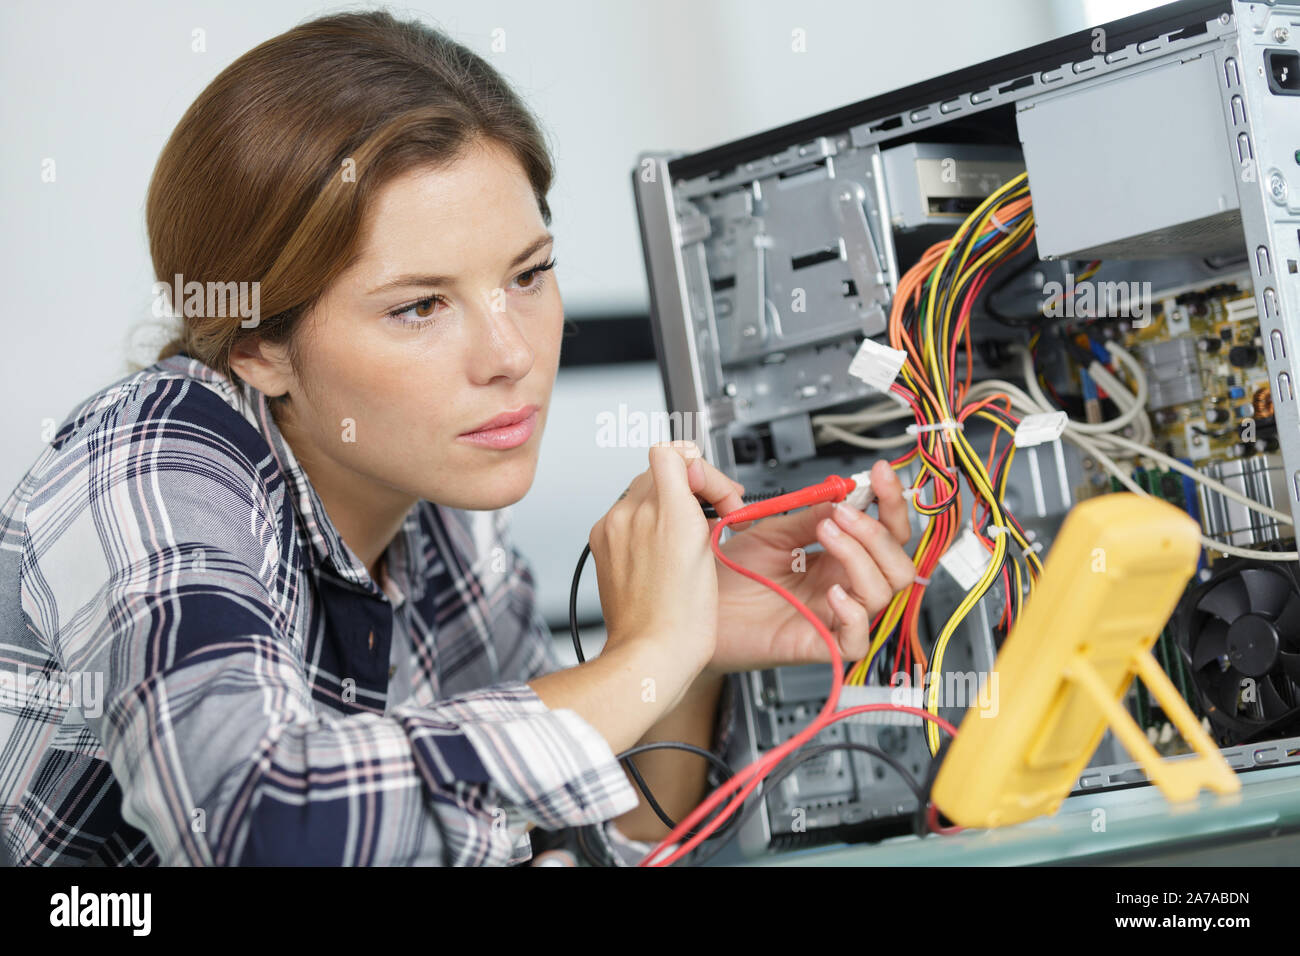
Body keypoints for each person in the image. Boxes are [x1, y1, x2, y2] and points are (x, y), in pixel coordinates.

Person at [0, 9, 914, 866]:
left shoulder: (442, 505)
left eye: (529, 274)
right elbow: (258, 826)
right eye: (418, 308)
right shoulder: (152, 460)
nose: (512, 354)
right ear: (259, 348)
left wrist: (695, 637)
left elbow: (587, 838)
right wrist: (643, 657)